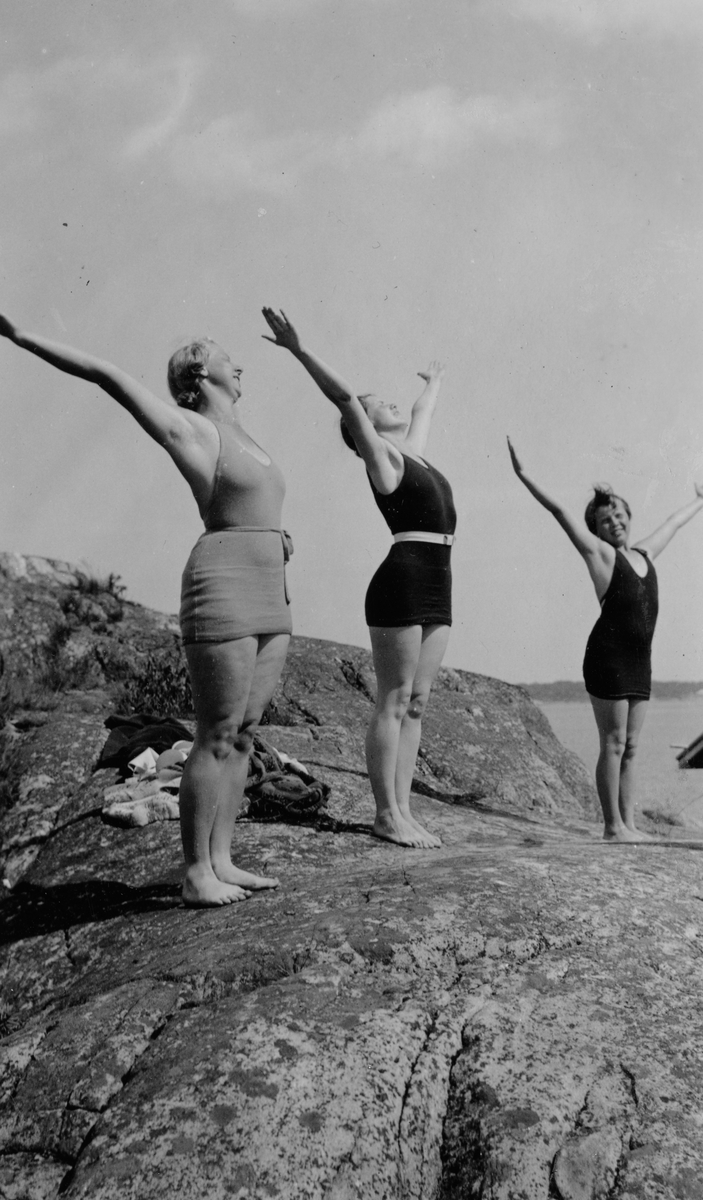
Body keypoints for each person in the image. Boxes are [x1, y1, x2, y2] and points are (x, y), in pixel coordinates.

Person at [0, 312, 291, 905]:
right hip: (224, 583)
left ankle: (223, 858)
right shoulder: (190, 429)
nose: (239, 365)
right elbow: (107, 375)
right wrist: (21, 335)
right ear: (199, 373)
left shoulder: (246, 435)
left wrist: (273, 535)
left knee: (245, 734)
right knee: (217, 732)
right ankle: (195, 872)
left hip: (270, 584)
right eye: (227, 356)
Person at [262, 307, 455, 849]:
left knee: (417, 702)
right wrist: (300, 350)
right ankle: (385, 813)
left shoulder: (414, 455)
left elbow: (422, 411)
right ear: (361, 428)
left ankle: (404, 809)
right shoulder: (383, 460)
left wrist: (433, 383)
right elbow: (346, 398)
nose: (386, 402)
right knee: (394, 699)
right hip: (403, 581)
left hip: (438, 580)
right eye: (375, 404)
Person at [508, 437, 703, 842]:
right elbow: (560, 511)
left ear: (629, 516)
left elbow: (673, 523)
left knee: (631, 746)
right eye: (604, 520)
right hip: (608, 658)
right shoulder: (600, 555)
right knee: (612, 743)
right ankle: (613, 827)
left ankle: (629, 824)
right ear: (595, 529)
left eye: (618, 514)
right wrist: (524, 474)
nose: (614, 522)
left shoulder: (645, 554)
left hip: (640, 663)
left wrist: (699, 501)